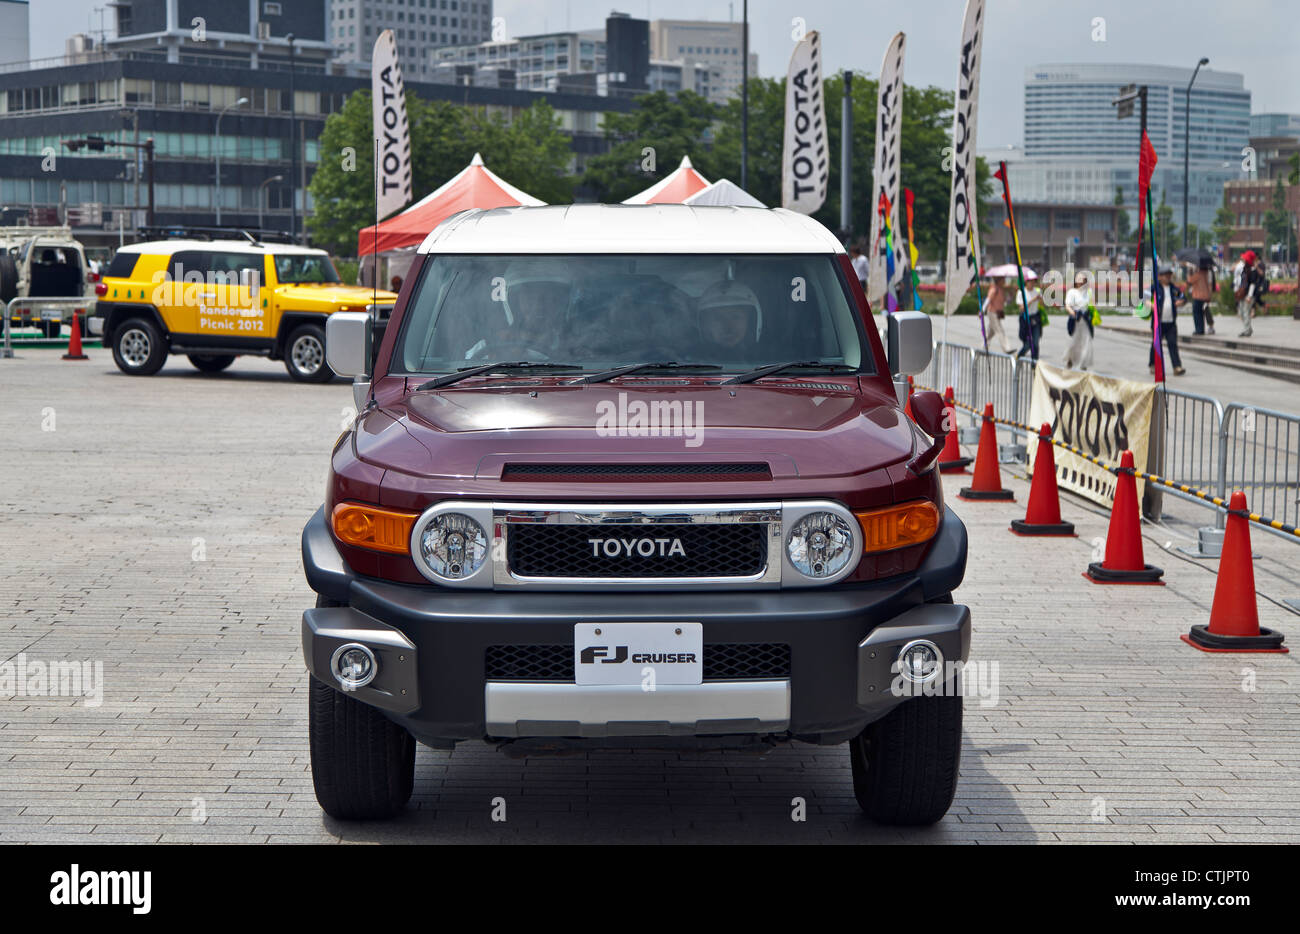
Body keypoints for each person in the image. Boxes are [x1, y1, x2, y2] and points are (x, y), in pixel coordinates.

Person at [697, 279, 762, 362]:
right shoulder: (689, 362)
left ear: (750, 321)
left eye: (735, 317)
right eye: (718, 318)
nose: (728, 327)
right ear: (706, 324)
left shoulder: (769, 360)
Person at [1149, 265, 1186, 376]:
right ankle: (1153, 364)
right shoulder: (1155, 288)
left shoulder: (1173, 289)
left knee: (1172, 344)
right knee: (1156, 344)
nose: (1168, 277)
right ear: (1159, 277)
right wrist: (1152, 305)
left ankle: (1177, 367)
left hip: (1171, 322)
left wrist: (1180, 302)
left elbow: (1183, 298)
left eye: (1169, 275)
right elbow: (1144, 298)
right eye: (1166, 275)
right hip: (1158, 322)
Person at [1062, 272, 1094, 371]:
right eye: (1079, 279)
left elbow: (1092, 305)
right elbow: (1067, 306)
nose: (1081, 281)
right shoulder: (1072, 292)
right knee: (1073, 342)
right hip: (1075, 320)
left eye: (1083, 279)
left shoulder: (1089, 292)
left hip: (1086, 321)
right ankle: (1070, 359)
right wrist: (1073, 313)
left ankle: (1083, 364)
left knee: (1086, 342)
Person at [982, 276, 1014, 353]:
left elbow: (1006, 302)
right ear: (999, 280)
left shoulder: (1001, 290)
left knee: (991, 332)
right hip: (992, 313)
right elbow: (988, 299)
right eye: (1003, 279)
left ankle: (984, 346)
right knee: (1000, 330)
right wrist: (982, 310)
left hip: (998, 314)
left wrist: (1011, 296)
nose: (1004, 281)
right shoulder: (994, 289)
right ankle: (1007, 348)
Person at [1014, 277, 1043, 360]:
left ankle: (1035, 364)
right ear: (1026, 282)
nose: (1032, 284)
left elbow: (1042, 304)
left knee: (1036, 343)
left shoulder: (1037, 291)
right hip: (1025, 319)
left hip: (1035, 318)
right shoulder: (1021, 292)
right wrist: (1033, 299)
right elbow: (1022, 308)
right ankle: (1018, 357)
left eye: (1034, 282)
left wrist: (1041, 299)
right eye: (1030, 281)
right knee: (1028, 345)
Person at [1185, 257, 1215, 335]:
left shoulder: (1198, 274)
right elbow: (1210, 285)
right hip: (1206, 296)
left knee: (1197, 314)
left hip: (1198, 296)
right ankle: (1203, 328)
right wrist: (1209, 295)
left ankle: (1199, 329)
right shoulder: (1208, 273)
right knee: (1203, 313)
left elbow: (1189, 281)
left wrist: (1189, 271)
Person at [1232, 250, 1258, 337]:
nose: (1243, 260)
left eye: (1245, 258)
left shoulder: (1253, 270)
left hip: (1248, 295)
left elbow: (1252, 284)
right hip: (1242, 294)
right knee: (1242, 312)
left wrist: (1249, 296)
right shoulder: (1245, 269)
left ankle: (1247, 330)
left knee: (1246, 312)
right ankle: (1248, 328)